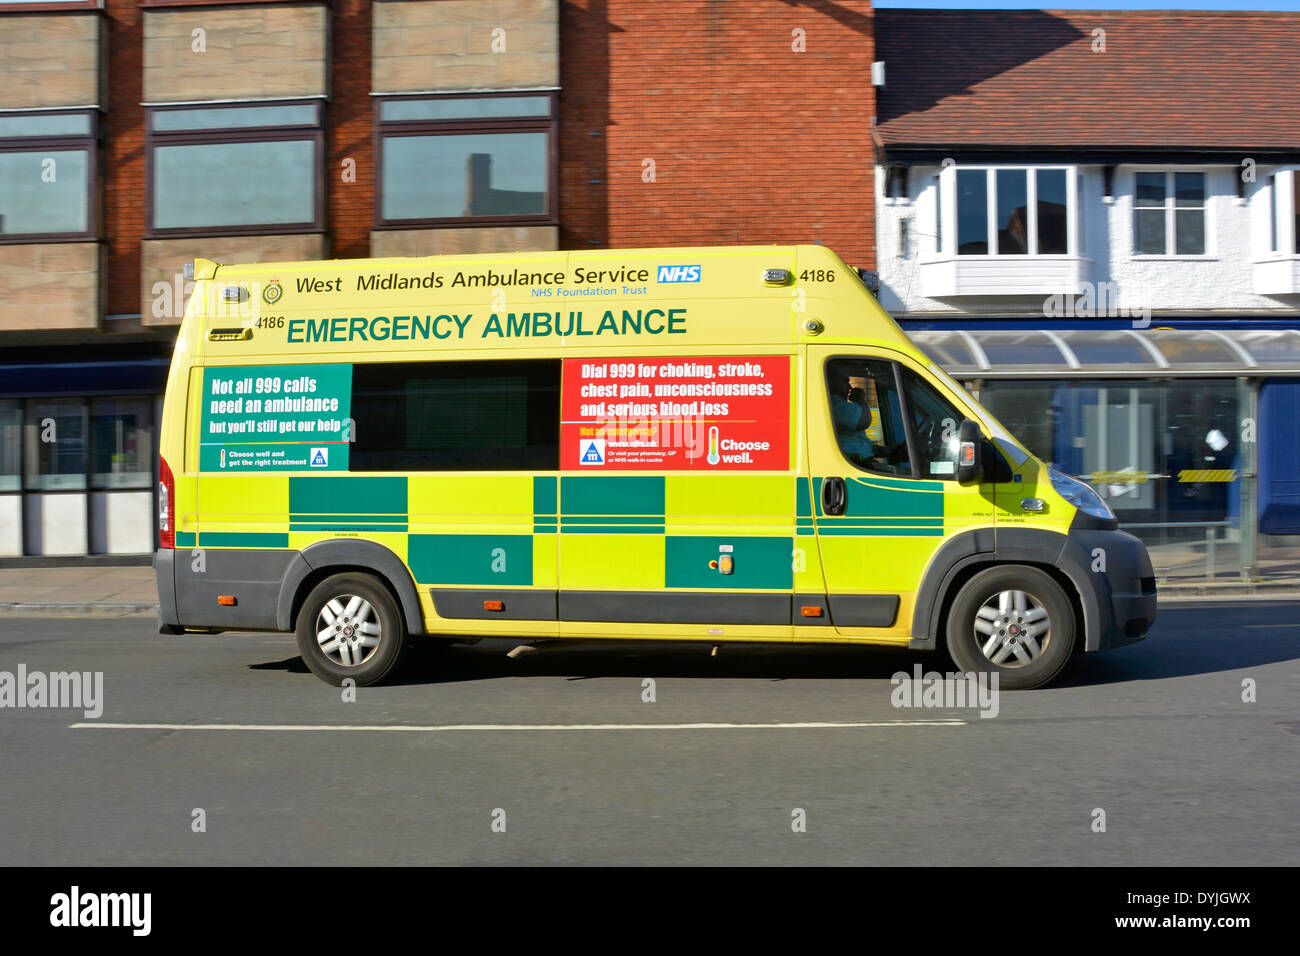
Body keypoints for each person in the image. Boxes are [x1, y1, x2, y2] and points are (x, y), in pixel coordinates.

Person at [828, 370, 875, 462]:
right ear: (833, 381)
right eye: (845, 381)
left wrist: (885, 451)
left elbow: (853, 439)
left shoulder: (839, 405)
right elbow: (864, 421)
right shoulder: (834, 405)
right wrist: (859, 399)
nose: (849, 387)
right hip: (855, 462)